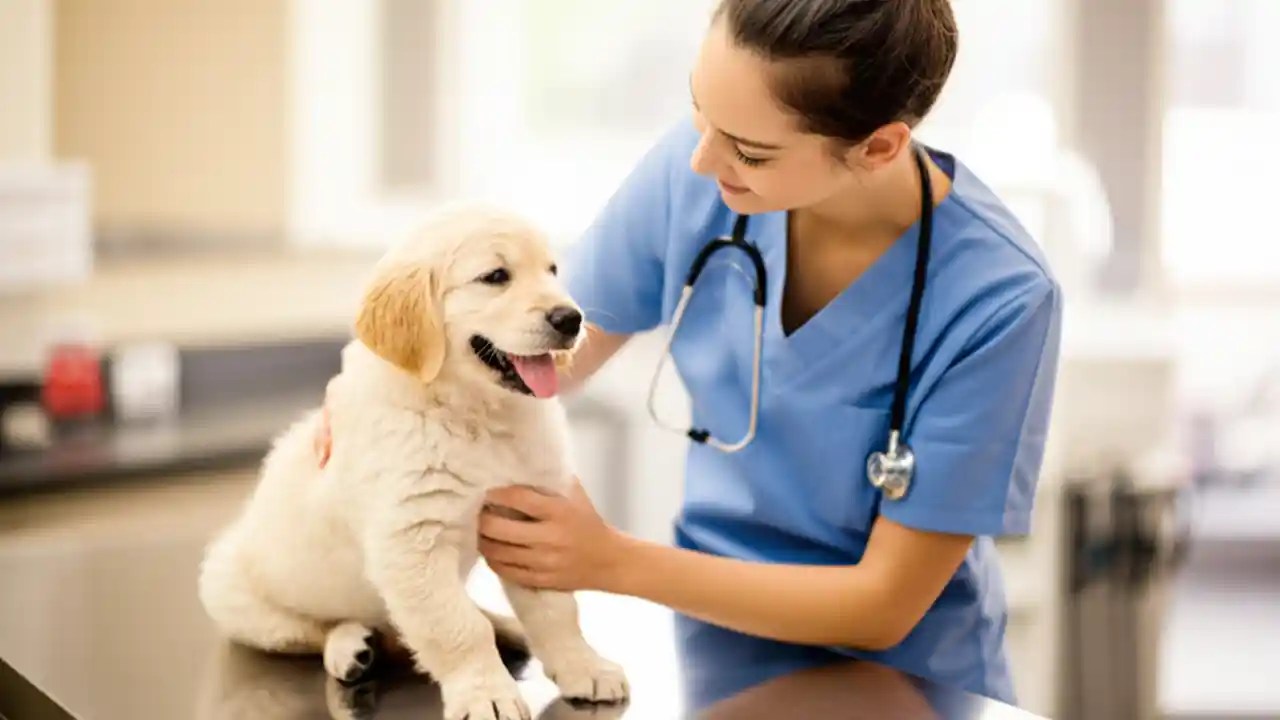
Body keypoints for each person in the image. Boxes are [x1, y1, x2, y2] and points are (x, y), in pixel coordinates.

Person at [317, 0, 1062, 707]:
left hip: (906, 682)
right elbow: (539, 353)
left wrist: (609, 562)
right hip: (717, 647)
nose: (704, 160)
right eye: (699, 114)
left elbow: (883, 605)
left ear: (879, 146)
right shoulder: (700, 167)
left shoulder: (998, 298)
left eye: (749, 149)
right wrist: (389, 401)